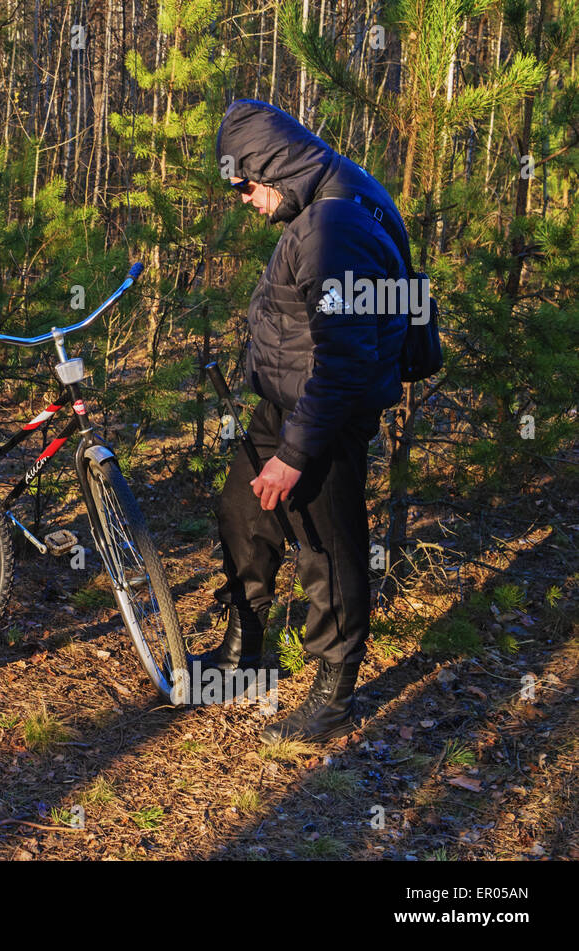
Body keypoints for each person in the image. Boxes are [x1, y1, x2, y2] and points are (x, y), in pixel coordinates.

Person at [194, 99, 410, 742]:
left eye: (244, 184)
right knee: (243, 514)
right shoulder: (338, 195)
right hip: (283, 402)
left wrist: (294, 452)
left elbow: (344, 357)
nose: (241, 198)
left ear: (276, 167)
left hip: (322, 414)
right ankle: (242, 656)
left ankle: (335, 694)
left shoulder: (330, 226)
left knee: (327, 548)